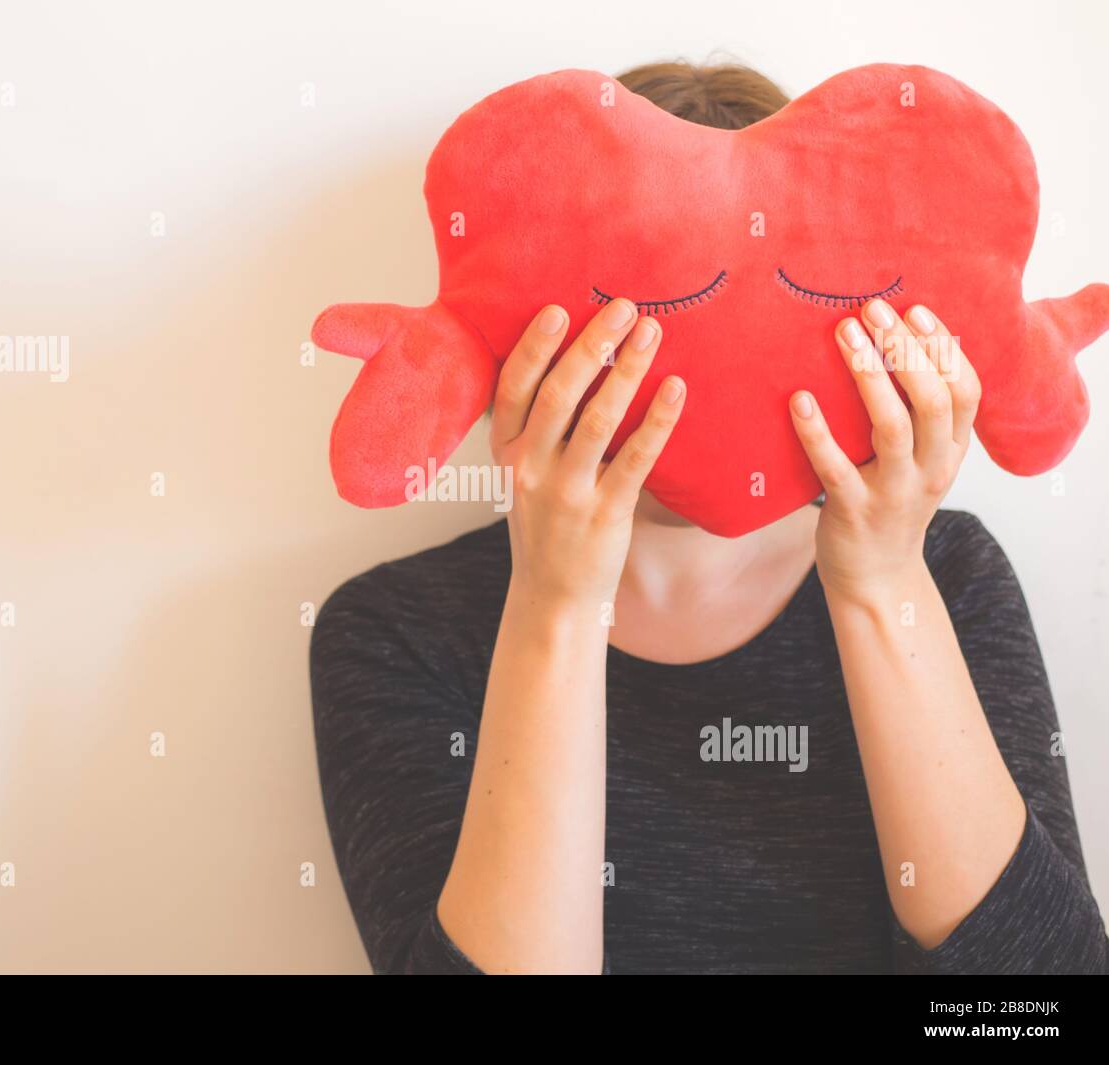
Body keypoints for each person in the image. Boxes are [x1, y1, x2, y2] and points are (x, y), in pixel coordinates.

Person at [309, 60, 1107, 974]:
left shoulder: (951, 576)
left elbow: (1031, 1011)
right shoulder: (393, 632)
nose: (695, 397)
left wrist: (883, 583)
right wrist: (555, 609)